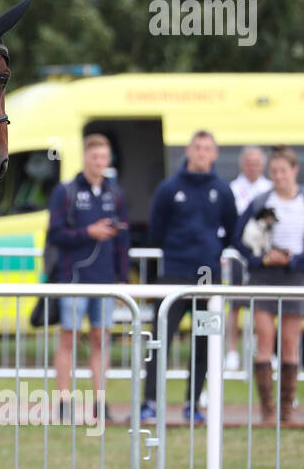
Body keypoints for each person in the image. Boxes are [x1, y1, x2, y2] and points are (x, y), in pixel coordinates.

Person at [142, 131, 238, 426]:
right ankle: (150, 403)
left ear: (215, 154)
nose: (201, 153)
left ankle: (192, 403)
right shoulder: (169, 188)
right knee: (159, 341)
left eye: (207, 148)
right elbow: (155, 231)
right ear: (188, 150)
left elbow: (231, 229)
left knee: (202, 343)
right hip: (172, 275)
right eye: (197, 147)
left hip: (207, 279)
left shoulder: (222, 190)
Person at [234, 146, 304, 425]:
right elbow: (237, 237)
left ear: (294, 171)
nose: (278, 176)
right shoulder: (262, 200)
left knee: (290, 344)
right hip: (264, 276)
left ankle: (287, 409)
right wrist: (260, 258)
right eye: (273, 171)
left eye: (283, 170)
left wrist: (293, 259)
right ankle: (267, 411)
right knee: (264, 340)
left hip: (294, 275)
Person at [46, 135, 130, 425]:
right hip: (73, 278)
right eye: (95, 157)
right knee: (68, 337)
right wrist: (87, 233)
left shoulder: (115, 193)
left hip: (105, 279)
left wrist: (123, 278)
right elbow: (54, 234)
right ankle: (63, 401)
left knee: (101, 339)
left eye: (104, 157)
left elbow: (123, 239)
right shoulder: (66, 191)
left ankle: (100, 401)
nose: (99, 163)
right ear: (85, 158)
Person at [225, 146, 273, 369]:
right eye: (249, 162)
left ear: (262, 165)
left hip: (261, 254)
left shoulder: (269, 190)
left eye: (256, 162)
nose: (252, 166)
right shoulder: (233, 189)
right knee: (235, 303)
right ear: (242, 164)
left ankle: (264, 349)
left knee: (263, 304)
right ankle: (232, 352)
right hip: (238, 253)